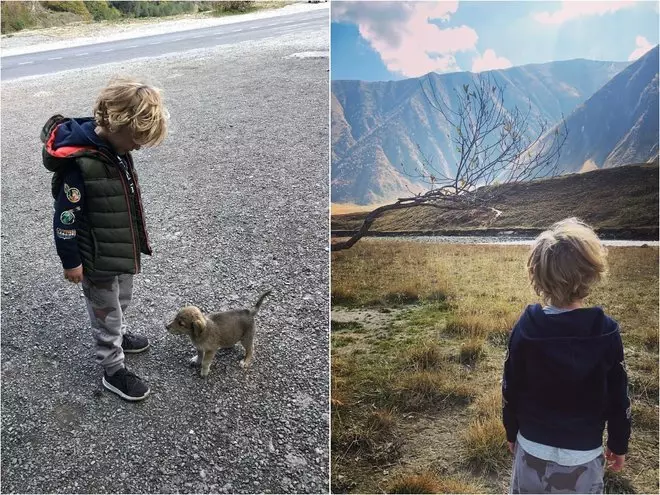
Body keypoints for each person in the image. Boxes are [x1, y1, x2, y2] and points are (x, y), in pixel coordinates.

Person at [41, 77, 168, 401]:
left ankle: (120, 334)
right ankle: (113, 369)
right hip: (95, 258)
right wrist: (71, 262)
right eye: (136, 139)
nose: (138, 147)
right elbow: (65, 219)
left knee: (121, 300)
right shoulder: (80, 166)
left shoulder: (115, 148)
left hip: (118, 250)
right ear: (115, 123)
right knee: (105, 312)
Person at [502, 217, 631, 494]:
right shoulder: (606, 332)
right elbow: (619, 397)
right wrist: (618, 444)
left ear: (537, 275)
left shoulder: (526, 327)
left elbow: (510, 387)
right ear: (591, 273)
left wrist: (511, 432)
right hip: (583, 453)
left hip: (532, 446)